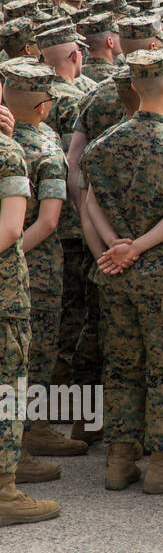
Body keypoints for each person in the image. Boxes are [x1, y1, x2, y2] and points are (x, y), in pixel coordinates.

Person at [79, 47, 163, 493]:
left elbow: (89, 205)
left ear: (132, 87)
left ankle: (119, 458)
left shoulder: (103, 144)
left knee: (121, 365)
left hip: (115, 275)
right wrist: (139, 247)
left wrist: (112, 250)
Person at [0, 64, 61, 525]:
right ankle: (5, 486)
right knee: (12, 381)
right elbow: (18, 228)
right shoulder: (15, 152)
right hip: (11, 286)